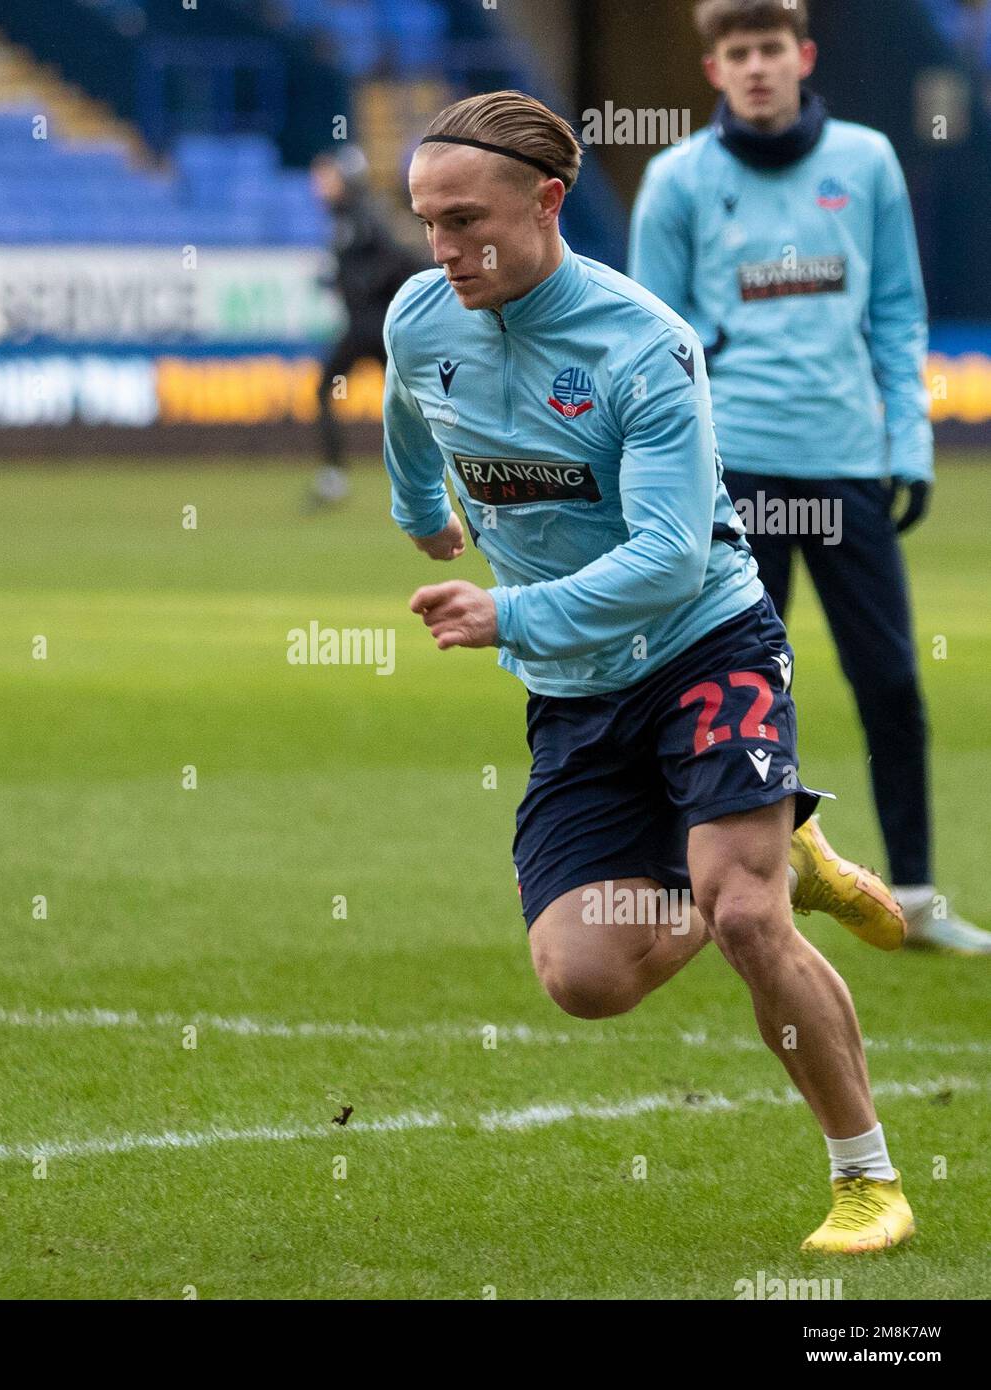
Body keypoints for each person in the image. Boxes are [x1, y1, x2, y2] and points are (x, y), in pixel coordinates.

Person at [383, 87, 916, 1253]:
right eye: (425, 221)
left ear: (547, 199)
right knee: (583, 975)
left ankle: (866, 1179)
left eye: (465, 219)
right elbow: (410, 416)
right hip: (576, 690)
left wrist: (507, 607)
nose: (442, 249)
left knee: (740, 913)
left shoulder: (642, 345)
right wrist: (420, 510)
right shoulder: (422, 315)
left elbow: (672, 561)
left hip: (704, 645)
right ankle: (794, 854)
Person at [629, 0, 990, 954]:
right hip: (731, 470)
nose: (755, 67)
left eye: (770, 49)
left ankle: (912, 897)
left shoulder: (867, 161)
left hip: (845, 465)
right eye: (736, 53)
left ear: (803, 56)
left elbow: (899, 310)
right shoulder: (675, 181)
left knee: (892, 682)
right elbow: (650, 349)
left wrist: (907, 443)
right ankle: (706, 900)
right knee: (726, 692)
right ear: (713, 70)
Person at [307, 146, 426, 508]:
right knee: (411, 404)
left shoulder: (363, 217)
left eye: (328, 177)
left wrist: (359, 283)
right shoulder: (354, 216)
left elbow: (404, 260)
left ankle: (335, 477)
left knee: (329, 390)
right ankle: (438, 470)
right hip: (373, 328)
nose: (320, 185)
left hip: (370, 328)